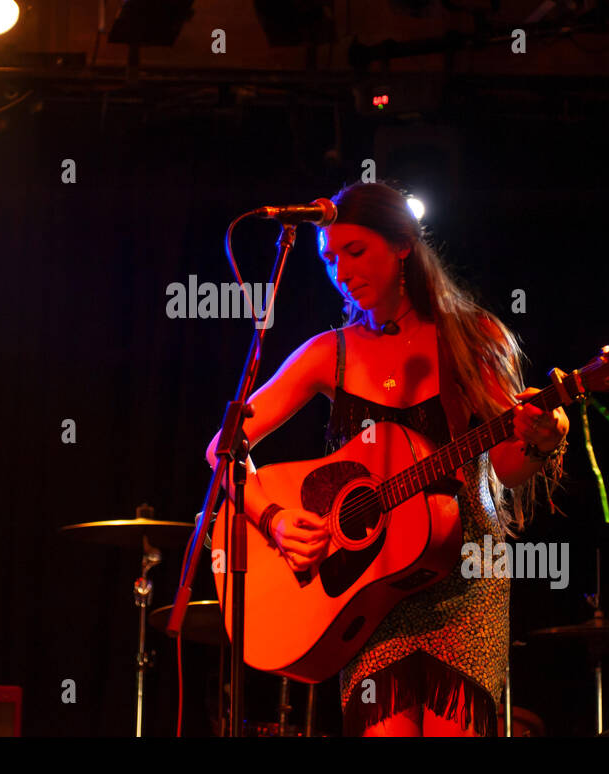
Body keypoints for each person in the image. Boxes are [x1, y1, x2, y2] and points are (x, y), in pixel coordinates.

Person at [205, 181, 569, 737]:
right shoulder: (331, 351)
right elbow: (225, 447)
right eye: (330, 258)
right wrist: (272, 519)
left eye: (356, 251)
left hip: (464, 578)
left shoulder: (474, 337)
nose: (342, 271)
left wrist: (542, 438)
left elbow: (507, 467)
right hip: (367, 585)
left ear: (402, 245)